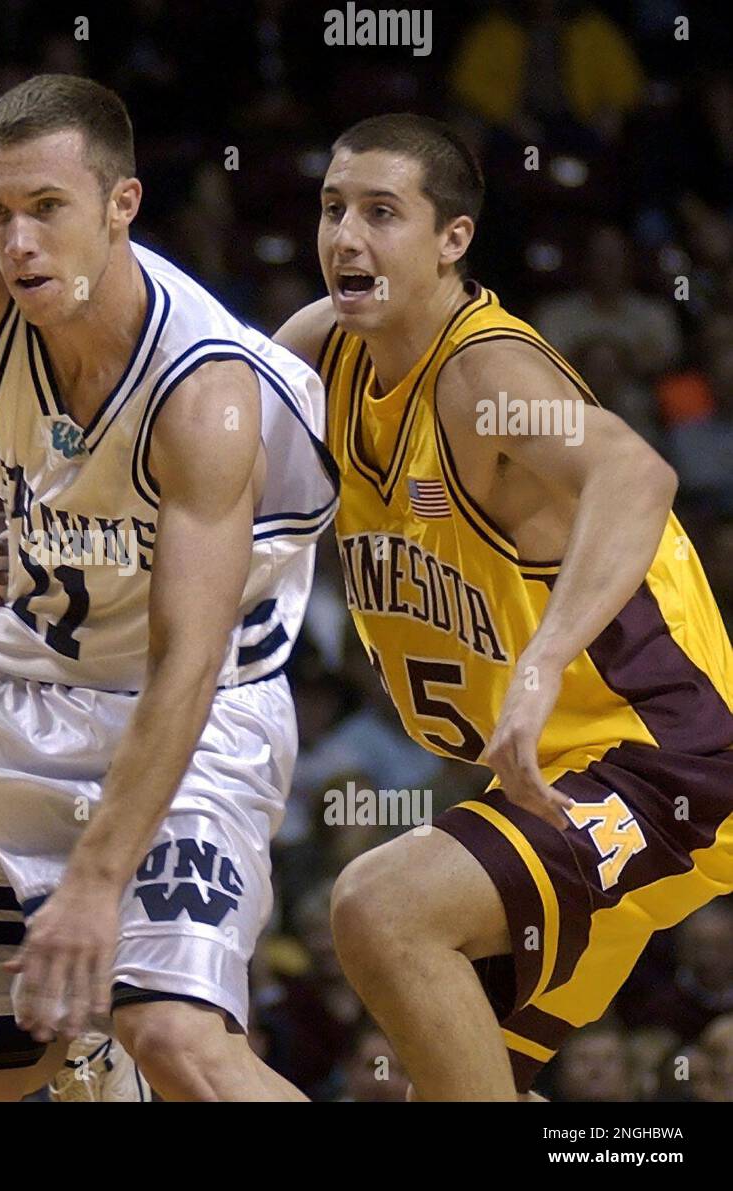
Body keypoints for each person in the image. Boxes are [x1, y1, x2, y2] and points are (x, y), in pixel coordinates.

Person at [0, 73, 338, 1102]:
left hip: (187, 714)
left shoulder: (202, 391)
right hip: (5, 698)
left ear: (119, 206)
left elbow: (188, 661)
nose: (17, 240)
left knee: (171, 1034)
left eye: (47, 209)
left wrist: (93, 885)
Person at [275, 112, 733, 1100]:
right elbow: (197, 447)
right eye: (331, 208)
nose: (346, 236)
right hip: (549, 785)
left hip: (665, 762)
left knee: (381, 909)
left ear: (452, 240)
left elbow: (635, 472)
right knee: (429, 1083)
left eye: (381, 213)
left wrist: (537, 665)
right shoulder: (317, 352)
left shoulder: (484, 375)